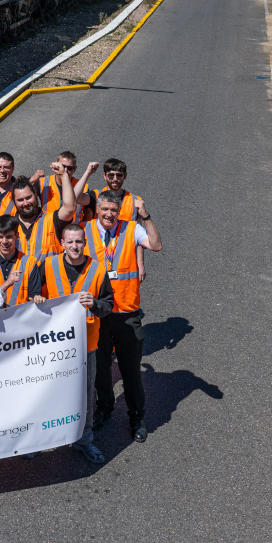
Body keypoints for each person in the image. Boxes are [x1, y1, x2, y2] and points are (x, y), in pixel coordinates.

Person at [34, 222, 112, 464]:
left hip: (86, 346)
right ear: (62, 243)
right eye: (70, 242)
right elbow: (34, 293)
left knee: (84, 395)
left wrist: (95, 304)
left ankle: (83, 440)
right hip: (54, 346)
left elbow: (108, 305)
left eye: (79, 241)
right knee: (48, 392)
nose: (75, 246)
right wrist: (37, 297)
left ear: (85, 243)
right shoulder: (48, 265)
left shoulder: (98, 269)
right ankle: (43, 439)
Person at [88, 189, 162, 443]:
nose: (109, 214)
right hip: (98, 313)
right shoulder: (85, 231)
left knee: (130, 370)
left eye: (114, 210)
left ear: (119, 212)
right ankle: (104, 409)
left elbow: (156, 245)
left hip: (126, 313)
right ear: (97, 210)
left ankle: (137, 417)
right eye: (105, 209)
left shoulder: (132, 229)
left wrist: (146, 216)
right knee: (100, 368)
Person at [0, 216, 43, 308]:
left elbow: (34, 296)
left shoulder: (30, 263)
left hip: (20, 315)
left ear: (17, 236)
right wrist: (7, 283)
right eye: (0, 237)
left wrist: (38, 299)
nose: (4, 241)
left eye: (9, 237)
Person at [9, 173, 78, 257]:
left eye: (28, 197)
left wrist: (64, 175)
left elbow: (70, 208)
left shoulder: (52, 219)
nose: (26, 203)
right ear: (14, 201)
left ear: (35, 194)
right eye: (20, 200)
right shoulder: (9, 225)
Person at [34, 153, 96, 224]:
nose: (65, 170)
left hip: (73, 229)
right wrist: (30, 180)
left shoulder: (83, 187)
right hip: (49, 228)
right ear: (56, 165)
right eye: (63, 167)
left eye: (70, 168)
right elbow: (25, 197)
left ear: (75, 169)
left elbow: (88, 213)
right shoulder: (43, 183)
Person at [0, 151, 44, 219]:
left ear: (13, 168)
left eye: (7, 167)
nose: (2, 170)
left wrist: (30, 181)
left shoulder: (19, 190)